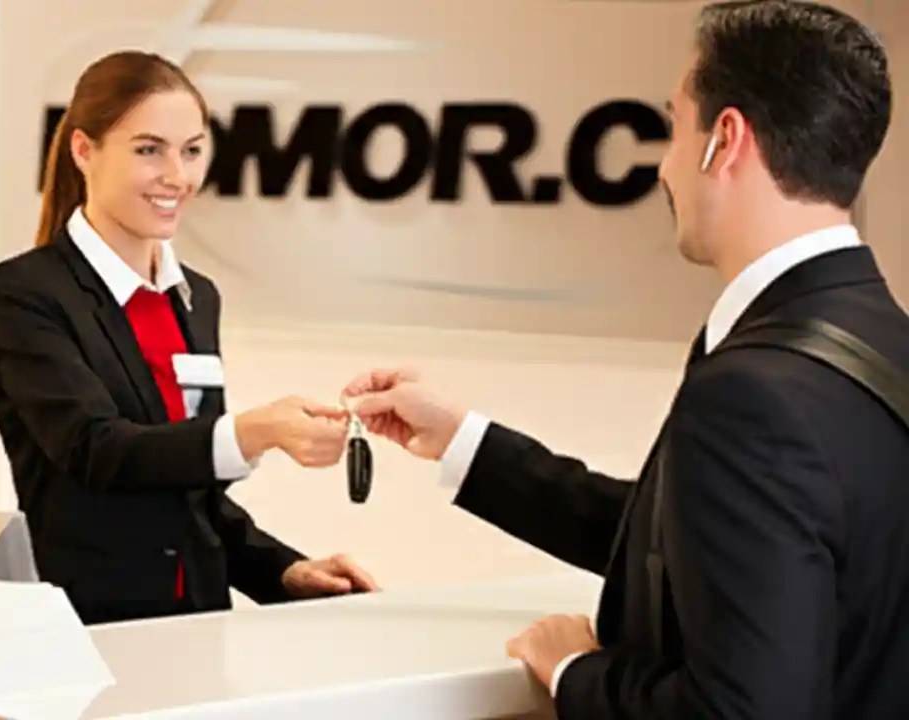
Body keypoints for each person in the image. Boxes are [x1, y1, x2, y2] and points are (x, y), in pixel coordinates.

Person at [344, 2, 909, 717]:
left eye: (673, 124)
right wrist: (465, 443)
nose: (665, 166)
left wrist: (578, 671)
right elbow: (707, 549)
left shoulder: (752, 391)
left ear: (723, 140)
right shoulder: (882, 340)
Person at [0, 50, 377, 625]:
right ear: (84, 151)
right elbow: (98, 453)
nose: (178, 176)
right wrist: (256, 431)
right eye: (149, 150)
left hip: (198, 629)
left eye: (191, 150)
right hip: (88, 629)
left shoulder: (195, 296)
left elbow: (189, 494)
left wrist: (283, 572)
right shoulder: (25, 293)